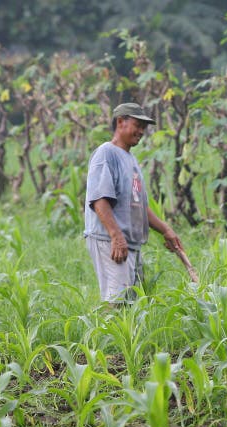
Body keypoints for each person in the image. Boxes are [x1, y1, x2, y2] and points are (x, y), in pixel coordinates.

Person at [83, 102, 184, 304]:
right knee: (117, 302)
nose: (141, 132)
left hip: (129, 243)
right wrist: (116, 236)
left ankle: (125, 337)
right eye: (137, 125)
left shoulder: (129, 158)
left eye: (144, 128)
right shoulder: (106, 153)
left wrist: (165, 229)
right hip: (110, 240)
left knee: (133, 303)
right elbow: (99, 200)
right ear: (120, 122)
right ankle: (104, 336)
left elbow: (138, 206)